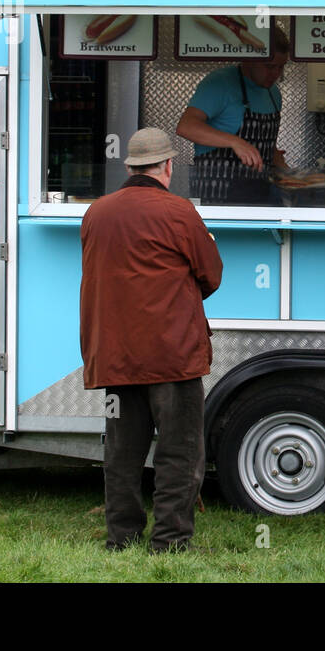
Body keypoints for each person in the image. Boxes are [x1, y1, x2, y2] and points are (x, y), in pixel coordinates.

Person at [80, 127, 223, 553]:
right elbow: (210, 275)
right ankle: (171, 540)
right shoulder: (179, 212)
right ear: (167, 166)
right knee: (178, 452)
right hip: (171, 356)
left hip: (116, 357)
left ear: (128, 167)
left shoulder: (96, 213)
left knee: (122, 453)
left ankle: (120, 537)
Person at [175, 27, 290, 204]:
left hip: (259, 196)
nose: (275, 74)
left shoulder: (273, 93)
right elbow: (186, 126)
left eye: (281, 67)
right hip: (218, 196)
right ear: (249, 59)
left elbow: (265, 144)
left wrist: (285, 170)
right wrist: (235, 142)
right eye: (269, 66)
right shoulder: (220, 83)